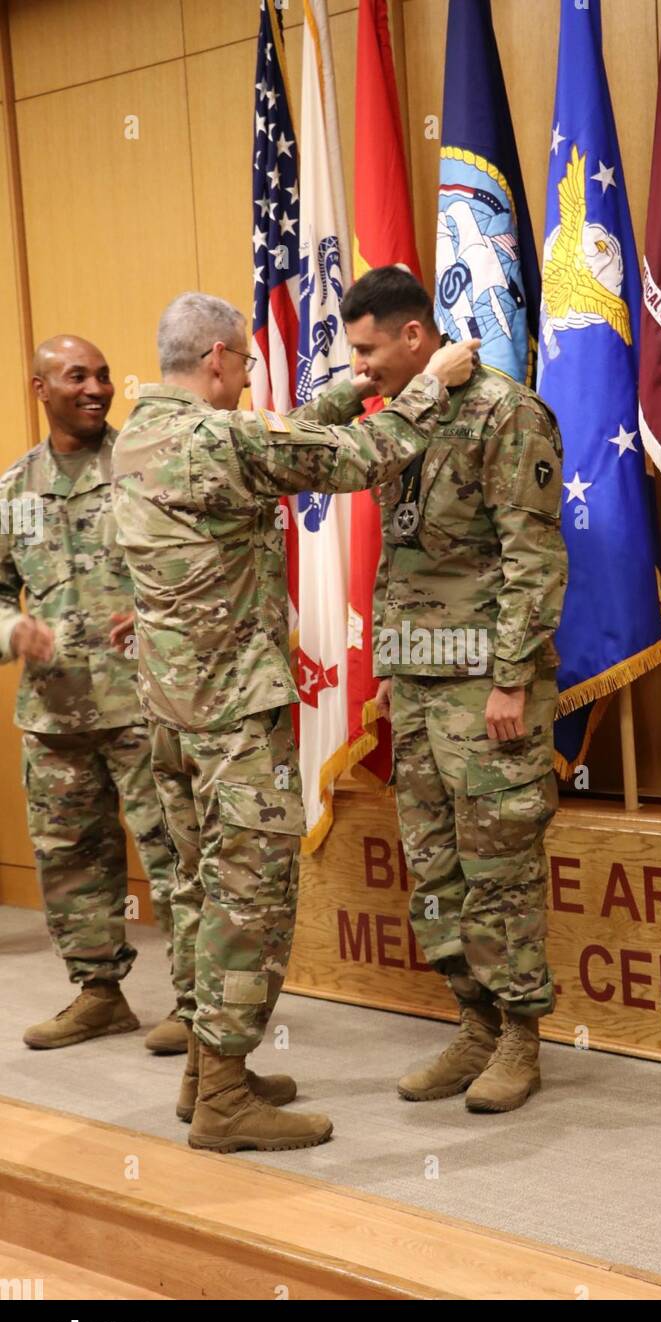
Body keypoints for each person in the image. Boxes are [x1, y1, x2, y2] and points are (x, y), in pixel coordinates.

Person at [112, 290, 477, 1153]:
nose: (246, 379)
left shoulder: (142, 435)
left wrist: (349, 387)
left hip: (170, 711)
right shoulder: (216, 437)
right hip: (234, 718)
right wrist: (432, 384)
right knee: (251, 903)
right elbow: (361, 459)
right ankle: (228, 1105)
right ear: (216, 360)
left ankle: (207, 1073)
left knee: (199, 892)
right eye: (242, 364)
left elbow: (282, 440)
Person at [341, 266, 567, 1113]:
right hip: (418, 681)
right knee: (434, 864)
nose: (358, 368)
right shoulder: (399, 420)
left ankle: (520, 1037)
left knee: (498, 861)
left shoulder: (506, 414)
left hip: (486, 686)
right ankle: (471, 1021)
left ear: (413, 335)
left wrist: (511, 681)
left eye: (368, 350)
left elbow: (532, 559)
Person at [0, 336, 184, 1054]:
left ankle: (196, 1005)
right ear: (40, 386)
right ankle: (99, 994)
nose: (98, 387)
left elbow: (195, 566)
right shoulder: (14, 489)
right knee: (71, 860)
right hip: (53, 715)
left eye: (105, 375)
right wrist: (13, 628)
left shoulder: (141, 467)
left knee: (172, 855)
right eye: (78, 375)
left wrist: (152, 615)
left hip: (145, 704)